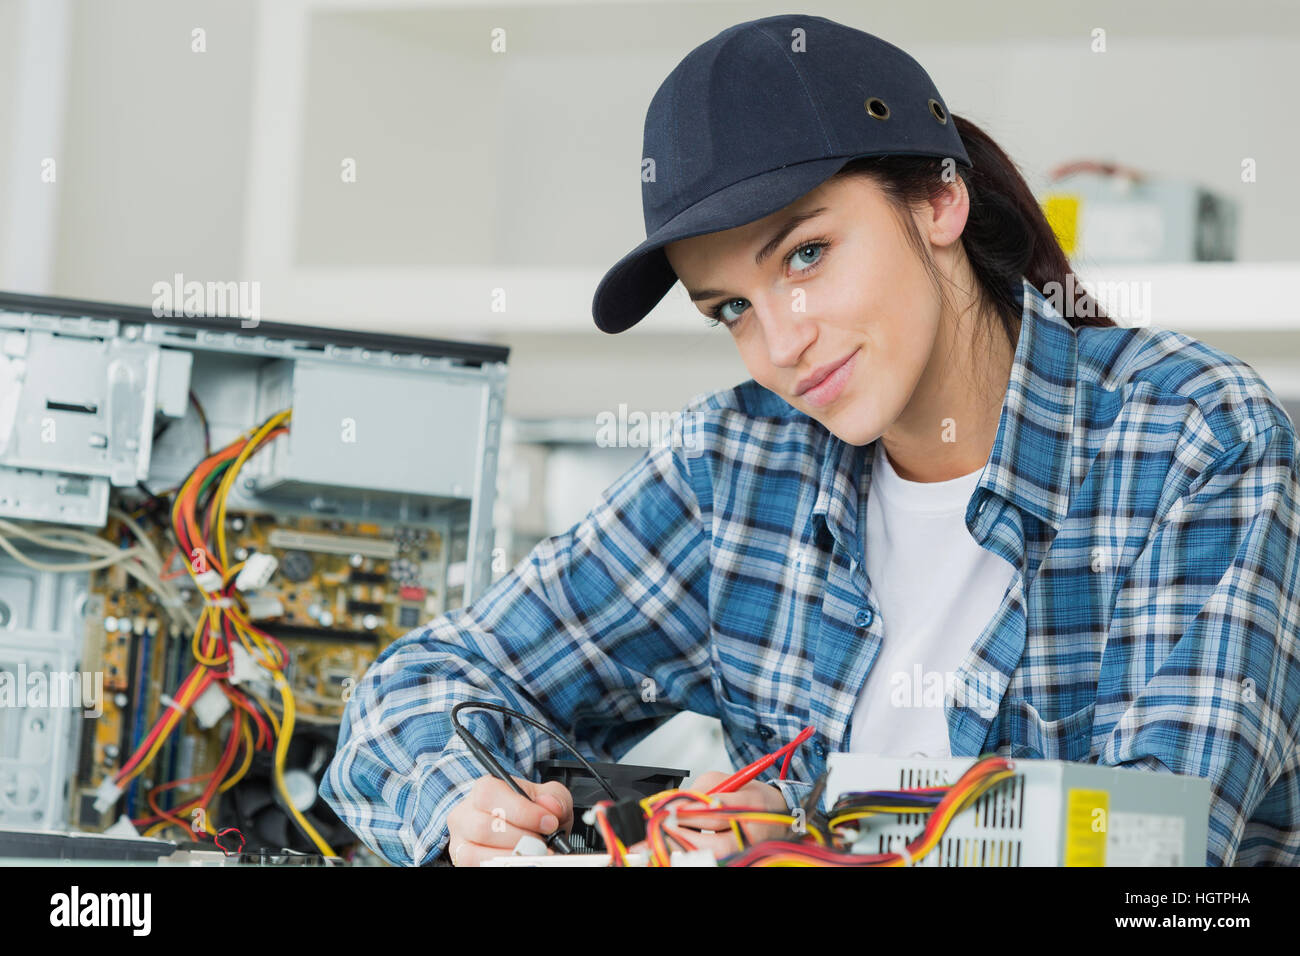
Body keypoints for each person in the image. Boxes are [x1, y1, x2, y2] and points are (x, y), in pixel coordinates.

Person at [321, 14, 1300, 867]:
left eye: (807, 254)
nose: (780, 343)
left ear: (938, 202)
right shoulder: (735, 472)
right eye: (731, 307)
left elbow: (1159, 848)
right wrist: (461, 801)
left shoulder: (1195, 442)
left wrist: (804, 835)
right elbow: (412, 689)